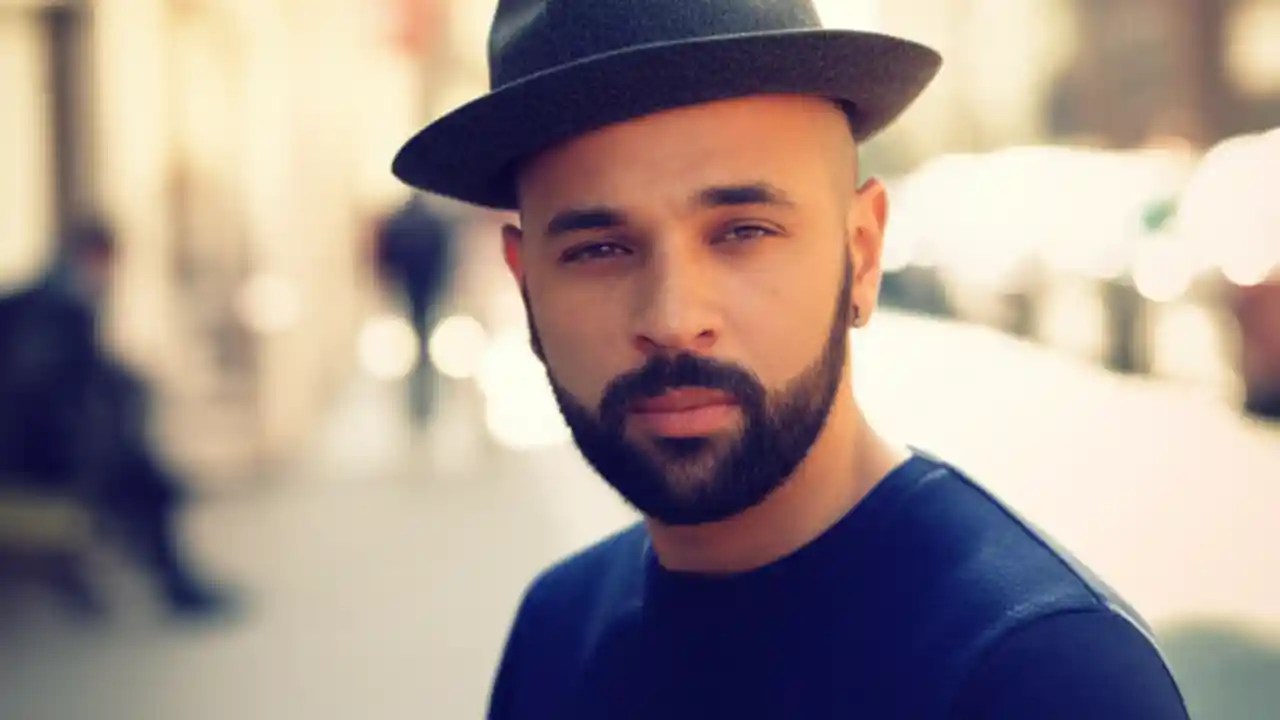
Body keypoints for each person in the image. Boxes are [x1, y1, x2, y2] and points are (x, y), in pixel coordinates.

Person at [391, 1, 1189, 717]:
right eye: (600, 248)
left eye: (742, 232)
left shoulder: (1042, 676)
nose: (672, 320)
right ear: (526, 288)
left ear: (863, 254)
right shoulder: (555, 632)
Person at [0, 219, 234, 617]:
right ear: (99, 257)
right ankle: (178, 587)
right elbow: (53, 392)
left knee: (144, 478)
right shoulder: (65, 306)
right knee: (144, 484)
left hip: (32, 450)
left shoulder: (34, 299)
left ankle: (176, 583)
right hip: (39, 459)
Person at [374, 195, 456, 423]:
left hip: (408, 291)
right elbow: (446, 256)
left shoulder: (399, 221)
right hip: (429, 292)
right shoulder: (435, 221)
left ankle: (416, 401)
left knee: (417, 345)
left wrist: (388, 284)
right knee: (424, 345)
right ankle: (424, 401)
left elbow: (386, 255)